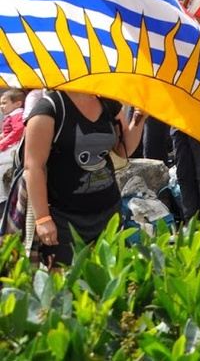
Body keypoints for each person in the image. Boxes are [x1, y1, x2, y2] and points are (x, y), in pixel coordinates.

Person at [23, 91, 146, 266]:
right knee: (67, 284)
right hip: (64, 218)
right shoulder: (48, 109)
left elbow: (122, 150)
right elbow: (34, 167)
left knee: (109, 279)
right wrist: (43, 218)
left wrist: (139, 118)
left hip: (108, 211)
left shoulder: (109, 103)